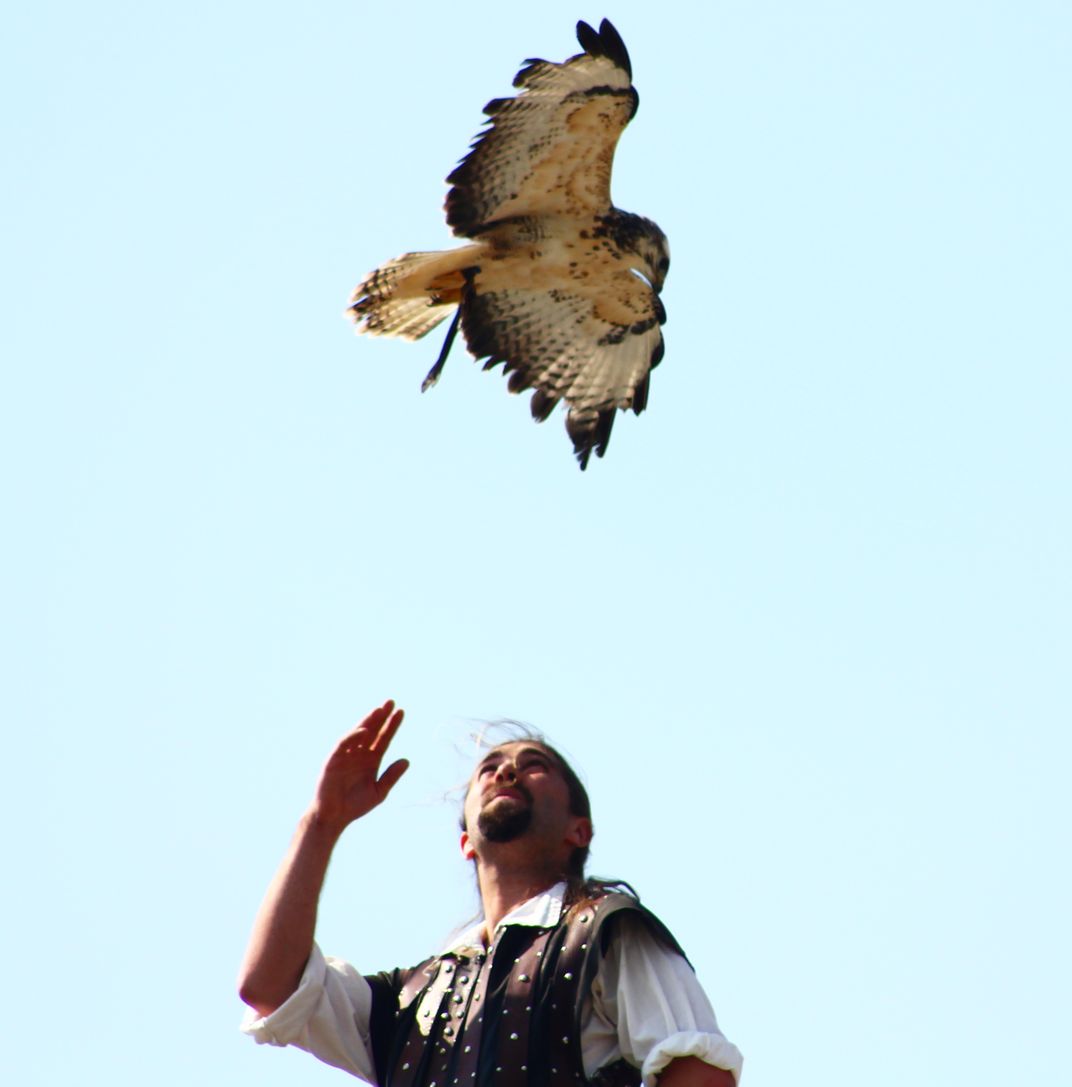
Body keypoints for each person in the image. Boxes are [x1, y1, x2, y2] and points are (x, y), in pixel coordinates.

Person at [239, 700, 743, 1086]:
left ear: (579, 830)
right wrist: (321, 822)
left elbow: (699, 1072)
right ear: (465, 844)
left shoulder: (607, 932)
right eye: (489, 768)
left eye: (534, 766)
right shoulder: (409, 1001)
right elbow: (269, 988)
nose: (505, 771)